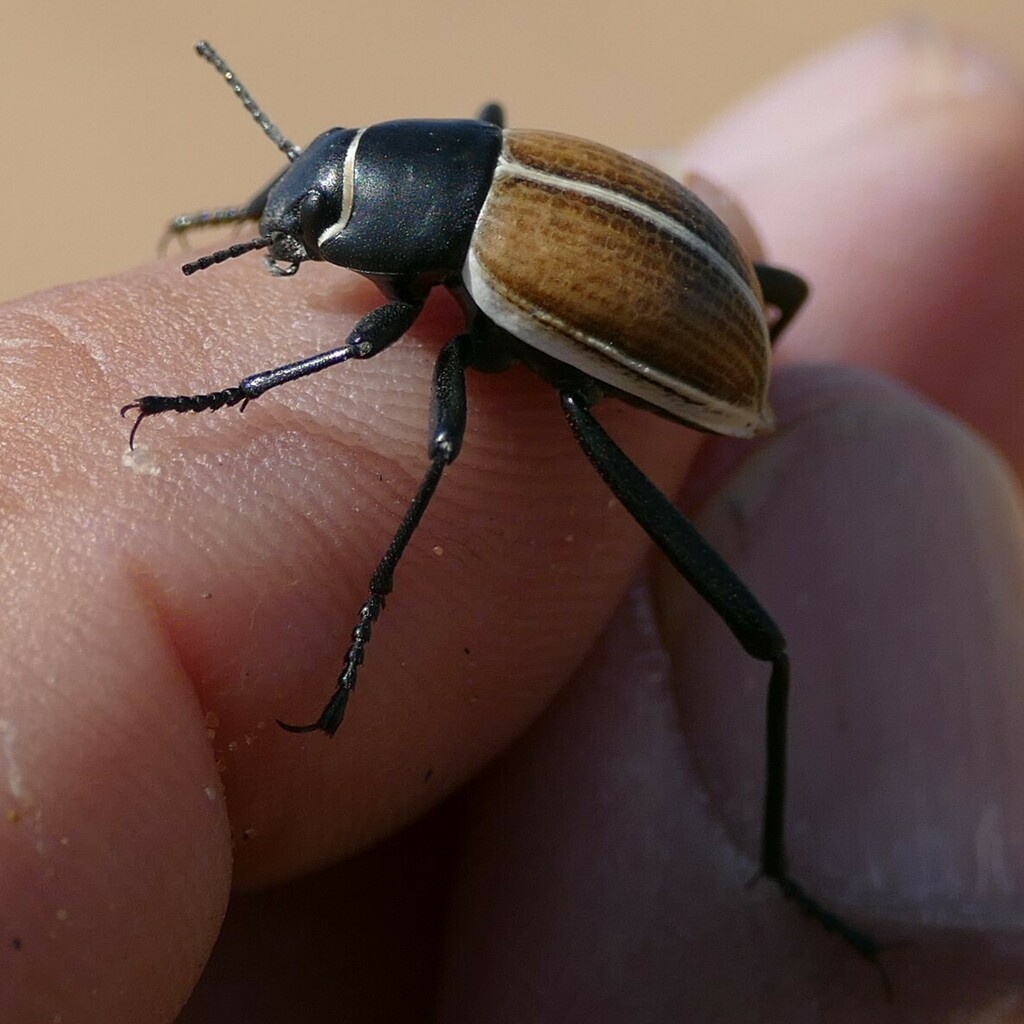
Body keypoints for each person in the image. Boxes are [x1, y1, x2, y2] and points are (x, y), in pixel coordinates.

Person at [2, 23, 1022, 1022]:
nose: (299, 236)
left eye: (326, 220)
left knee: (755, 636)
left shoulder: (489, 253)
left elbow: (384, 378)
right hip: (700, 280)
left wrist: (220, 402)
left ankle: (779, 873)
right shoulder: (489, 156)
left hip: (687, 341)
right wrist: (271, 211)